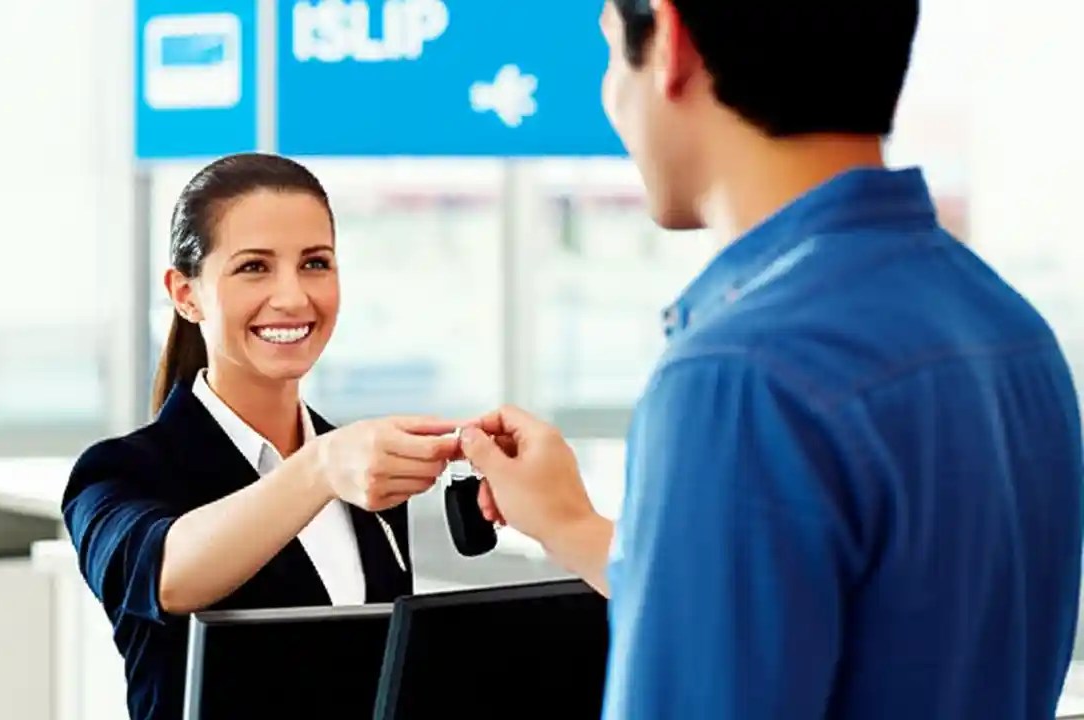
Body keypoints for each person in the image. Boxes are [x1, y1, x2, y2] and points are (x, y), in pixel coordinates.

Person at [461, 1, 1084, 718]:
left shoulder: (737, 377)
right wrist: (570, 526)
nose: (610, 98)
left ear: (669, 41)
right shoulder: (1009, 331)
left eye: (608, 50)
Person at [62, 153, 460, 720]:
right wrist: (320, 468)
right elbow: (168, 575)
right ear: (186, 294)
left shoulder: (359, 476)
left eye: (315, 263)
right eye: (254, 267)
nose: (293, 297)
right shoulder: (117, 472)